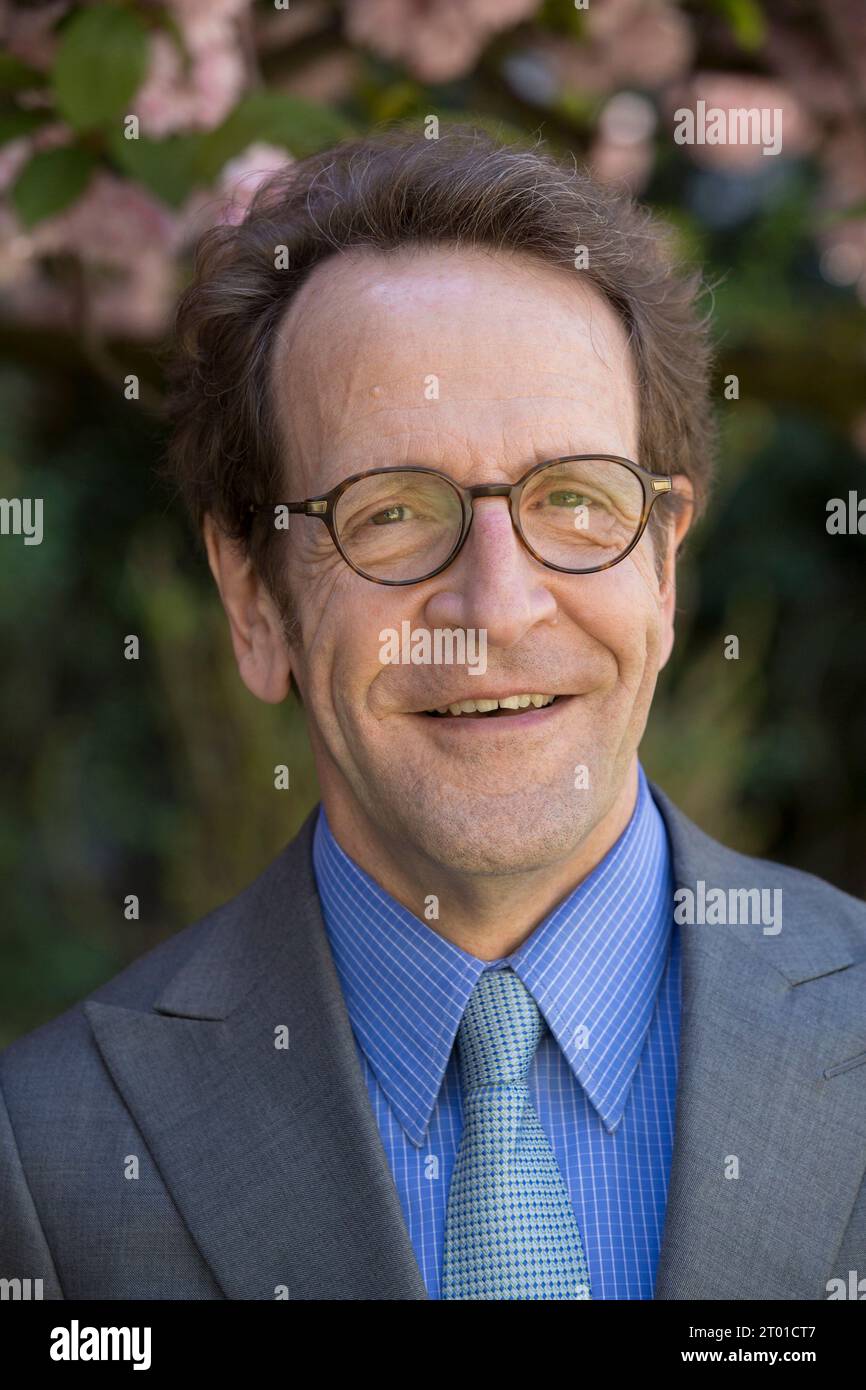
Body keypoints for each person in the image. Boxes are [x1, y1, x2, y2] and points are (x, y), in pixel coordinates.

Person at [2, 129, 864, 1301]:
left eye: (573, 499)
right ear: (254, 600)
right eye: (394, 509)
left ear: (662, 568)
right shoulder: (45, 1160)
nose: (496, 607)